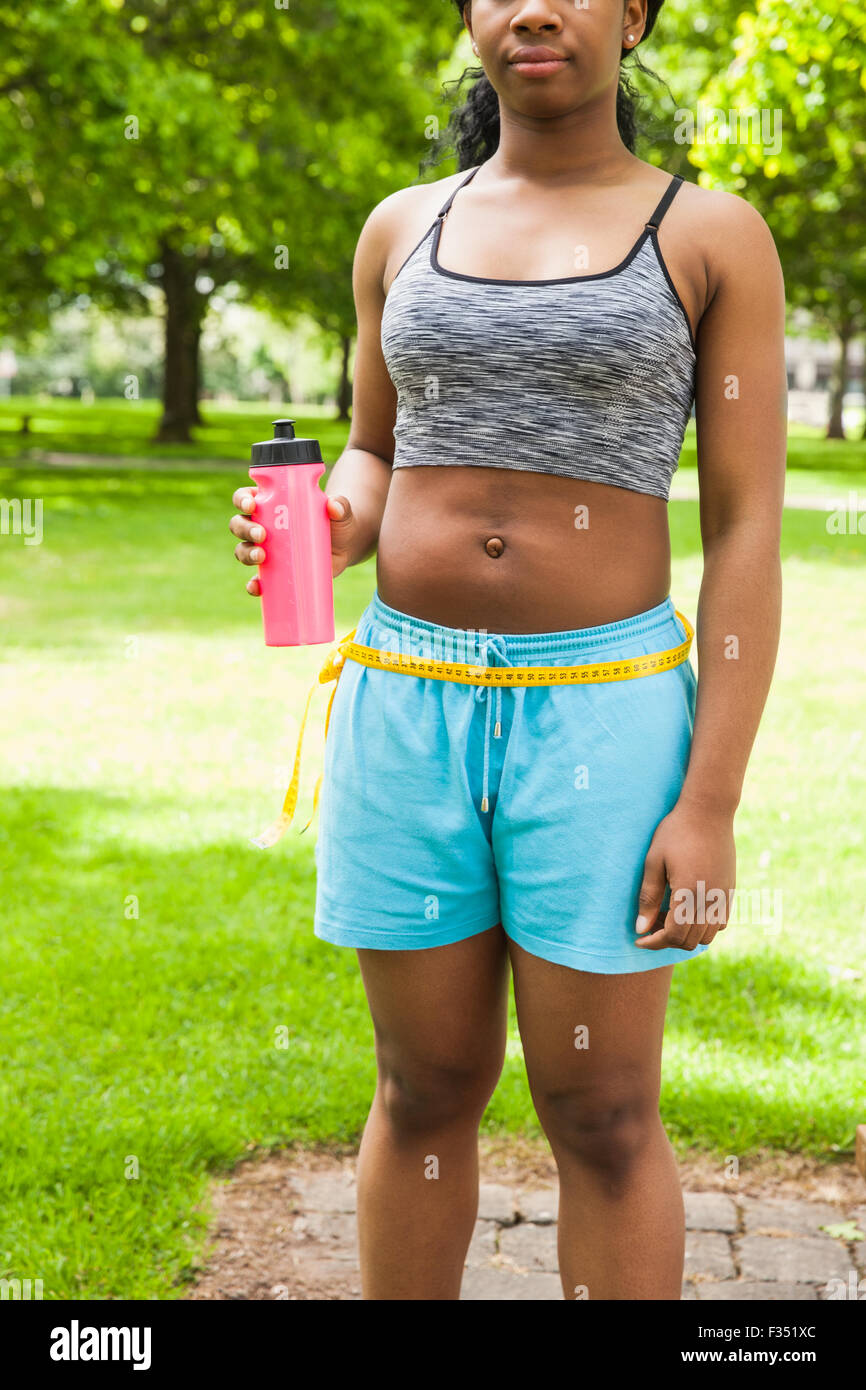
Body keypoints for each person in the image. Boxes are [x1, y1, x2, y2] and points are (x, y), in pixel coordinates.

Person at [230, 0, 785, 1301]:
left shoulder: (708, 235)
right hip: (406, 700)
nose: (532, 8)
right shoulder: (398, 226)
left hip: (603, 718)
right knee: (421, 1087)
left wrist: (707, 801)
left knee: (599, 1111)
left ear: (635, 19)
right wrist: (329, 519)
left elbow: (748, 526)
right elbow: (372, 447)